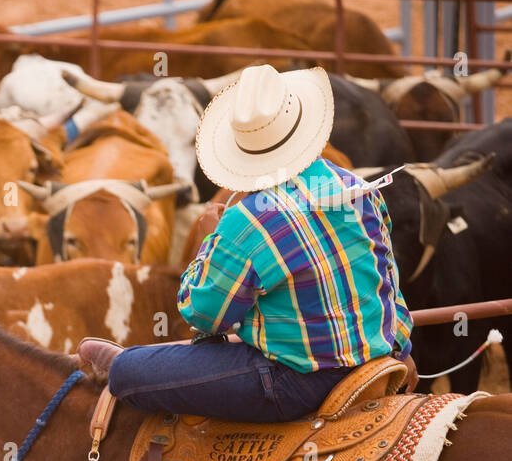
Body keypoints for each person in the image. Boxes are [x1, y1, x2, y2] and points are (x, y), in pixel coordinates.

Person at [79, 64, 417, 421]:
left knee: (128, 371)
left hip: (298, 381)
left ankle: (126, 367)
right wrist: (401, 346)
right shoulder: (355, 187)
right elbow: (387, 278)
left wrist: (209, 239)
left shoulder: (249, 220)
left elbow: (204, 314)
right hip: (377, 361)